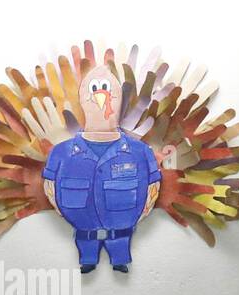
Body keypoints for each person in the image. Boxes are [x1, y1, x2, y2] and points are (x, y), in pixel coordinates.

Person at [42, 65, 161, 273]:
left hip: (124, 234)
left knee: (120, 250)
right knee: (87, 250)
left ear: (119, 100)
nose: (101, 95)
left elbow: (152, 187)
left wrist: (141, 214)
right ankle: (88, 258)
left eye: (107, 90)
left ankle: (120, 258)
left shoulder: (141, 153)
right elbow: (50, 187)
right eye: (93, 88)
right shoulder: (61, 154)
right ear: (82, 98)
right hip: (82, 233)